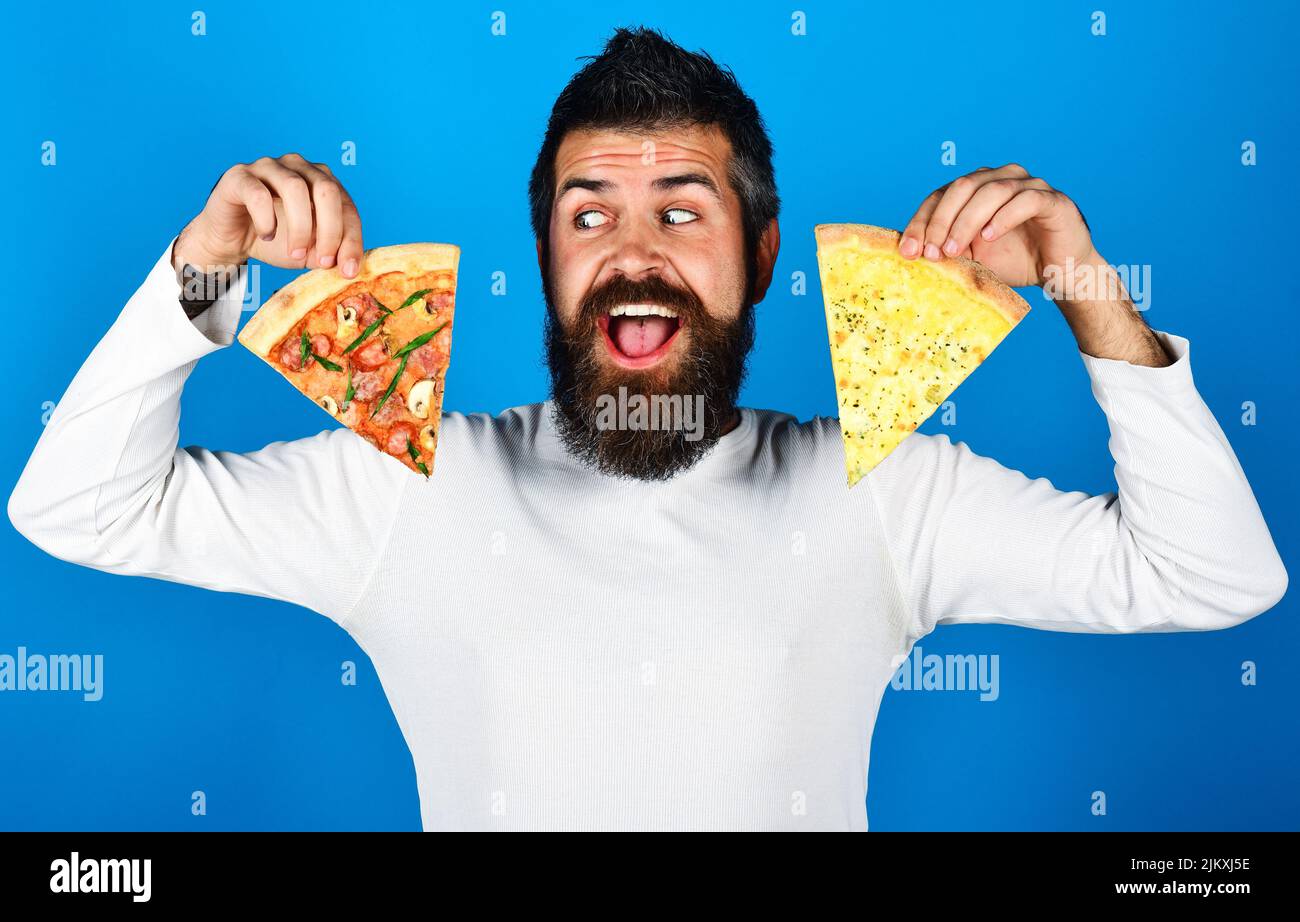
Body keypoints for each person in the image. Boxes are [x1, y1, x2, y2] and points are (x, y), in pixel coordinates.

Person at [8, 27, 1286, 831]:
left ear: (762, 251)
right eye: (588, 215)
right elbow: (76, 507)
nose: (632, 252)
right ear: (546, 259)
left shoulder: (885, 491)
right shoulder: (410, 482)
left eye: (682, 211)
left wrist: (1080, 283)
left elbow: (1212, 576)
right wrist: (203, 265)